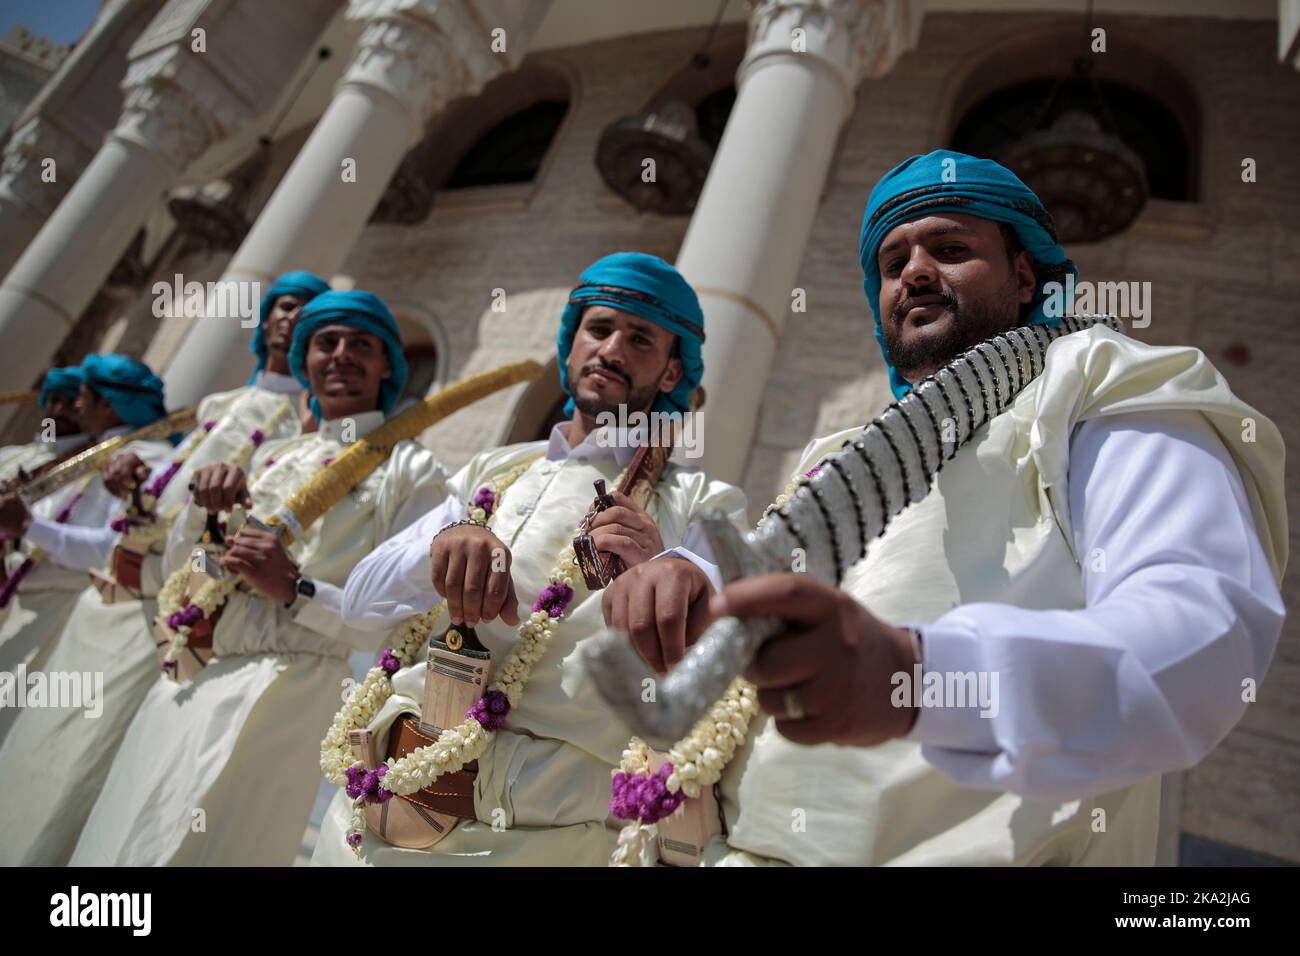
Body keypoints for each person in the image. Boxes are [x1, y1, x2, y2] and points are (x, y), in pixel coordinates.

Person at [603, 150, 1287, 866]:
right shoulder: (842, 451)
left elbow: (1200, 634)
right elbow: (746, 569)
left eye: (952, 249)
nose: (916, 273)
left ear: (1025, 276)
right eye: (894, 263)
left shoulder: (1102, 380)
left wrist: (916, 677)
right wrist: (678, 570)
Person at [312, 252, 748, 866]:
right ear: (570, 348)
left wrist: (662, 563)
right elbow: (358, 611)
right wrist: (444, 548)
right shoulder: (492, 472)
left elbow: (737, 656)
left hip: (536, 838)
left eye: (641, 338)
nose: (613, 349)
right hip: (375, 808)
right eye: (599, 330)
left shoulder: (701, 503)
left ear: (673, 372)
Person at [70, 290, 450, 866]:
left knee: (213, 847)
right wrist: (205, 511)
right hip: (190, 680)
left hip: (294, 690)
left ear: (387, 366)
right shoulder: (270, 454)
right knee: (121, 845)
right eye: (327, 342)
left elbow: (400, 622)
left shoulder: (414, 469)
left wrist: (296, 590)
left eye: (362, 345)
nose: (342, 354)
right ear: (305, 362)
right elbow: (180, 571)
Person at [0, 272, 326, 865]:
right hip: (102, 603)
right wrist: (133, 495)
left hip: (164, 613)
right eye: (282, 305)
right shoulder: (218, 405)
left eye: (308, 310)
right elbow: (155, 510)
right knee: (33, 756)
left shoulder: (300, 426)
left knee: (83, 768)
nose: (290, 317)